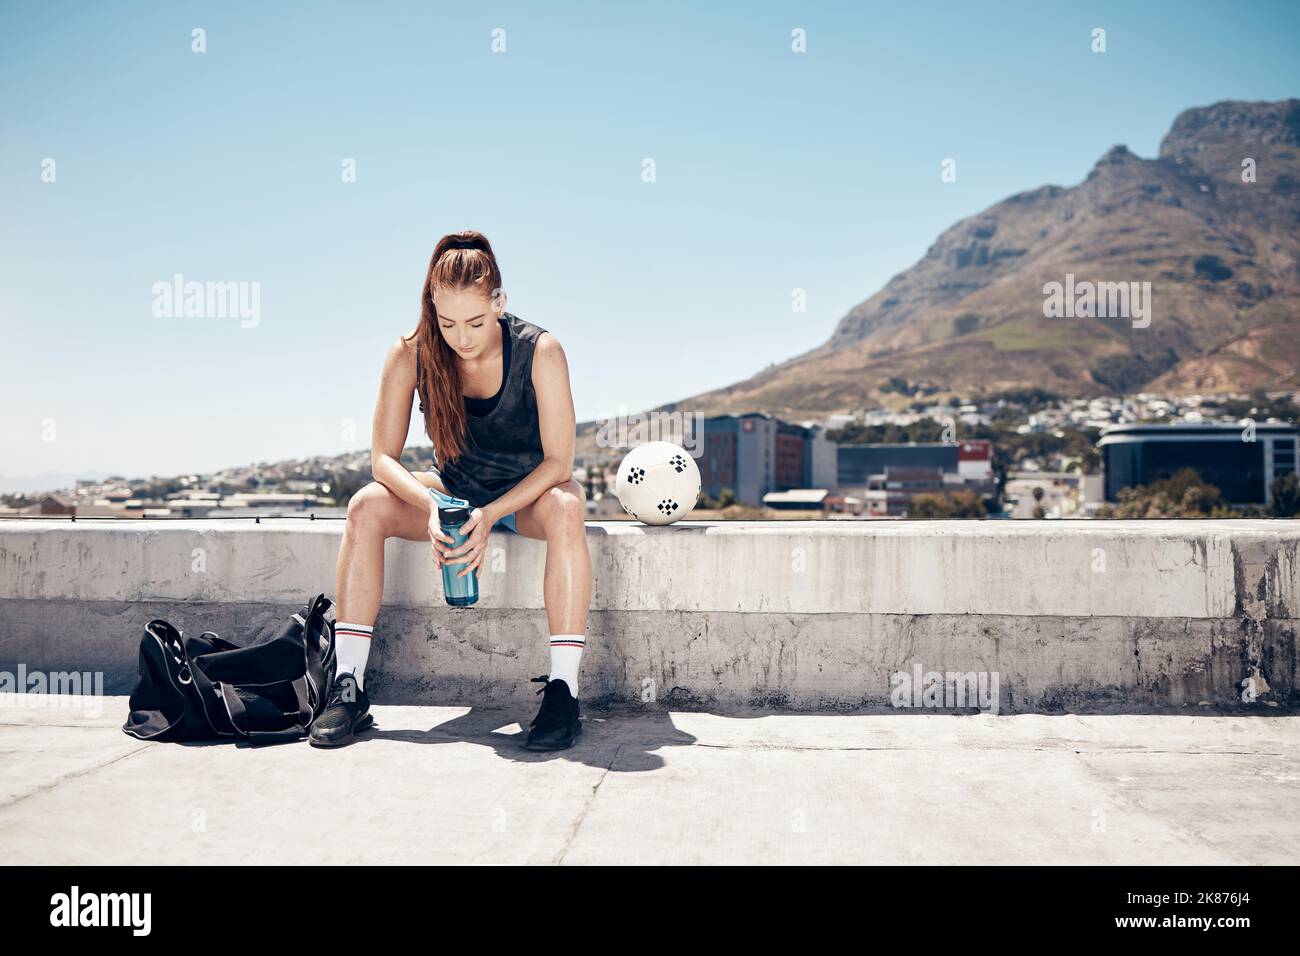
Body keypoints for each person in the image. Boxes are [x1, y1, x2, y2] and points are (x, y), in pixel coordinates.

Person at [311, 230, 593, 750]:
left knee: (567, 505)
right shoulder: (410, 352)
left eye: (476, 322)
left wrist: (491, 514)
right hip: (454, 491)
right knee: (365, 506)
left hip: (525, 495)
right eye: (447, 323)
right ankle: (348, 685)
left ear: (499, 302)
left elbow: (560, 462)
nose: (461, 337)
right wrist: (434, 505)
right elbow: (382, 459)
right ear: (432, 308)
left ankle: (563, 691)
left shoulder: (541, 351)